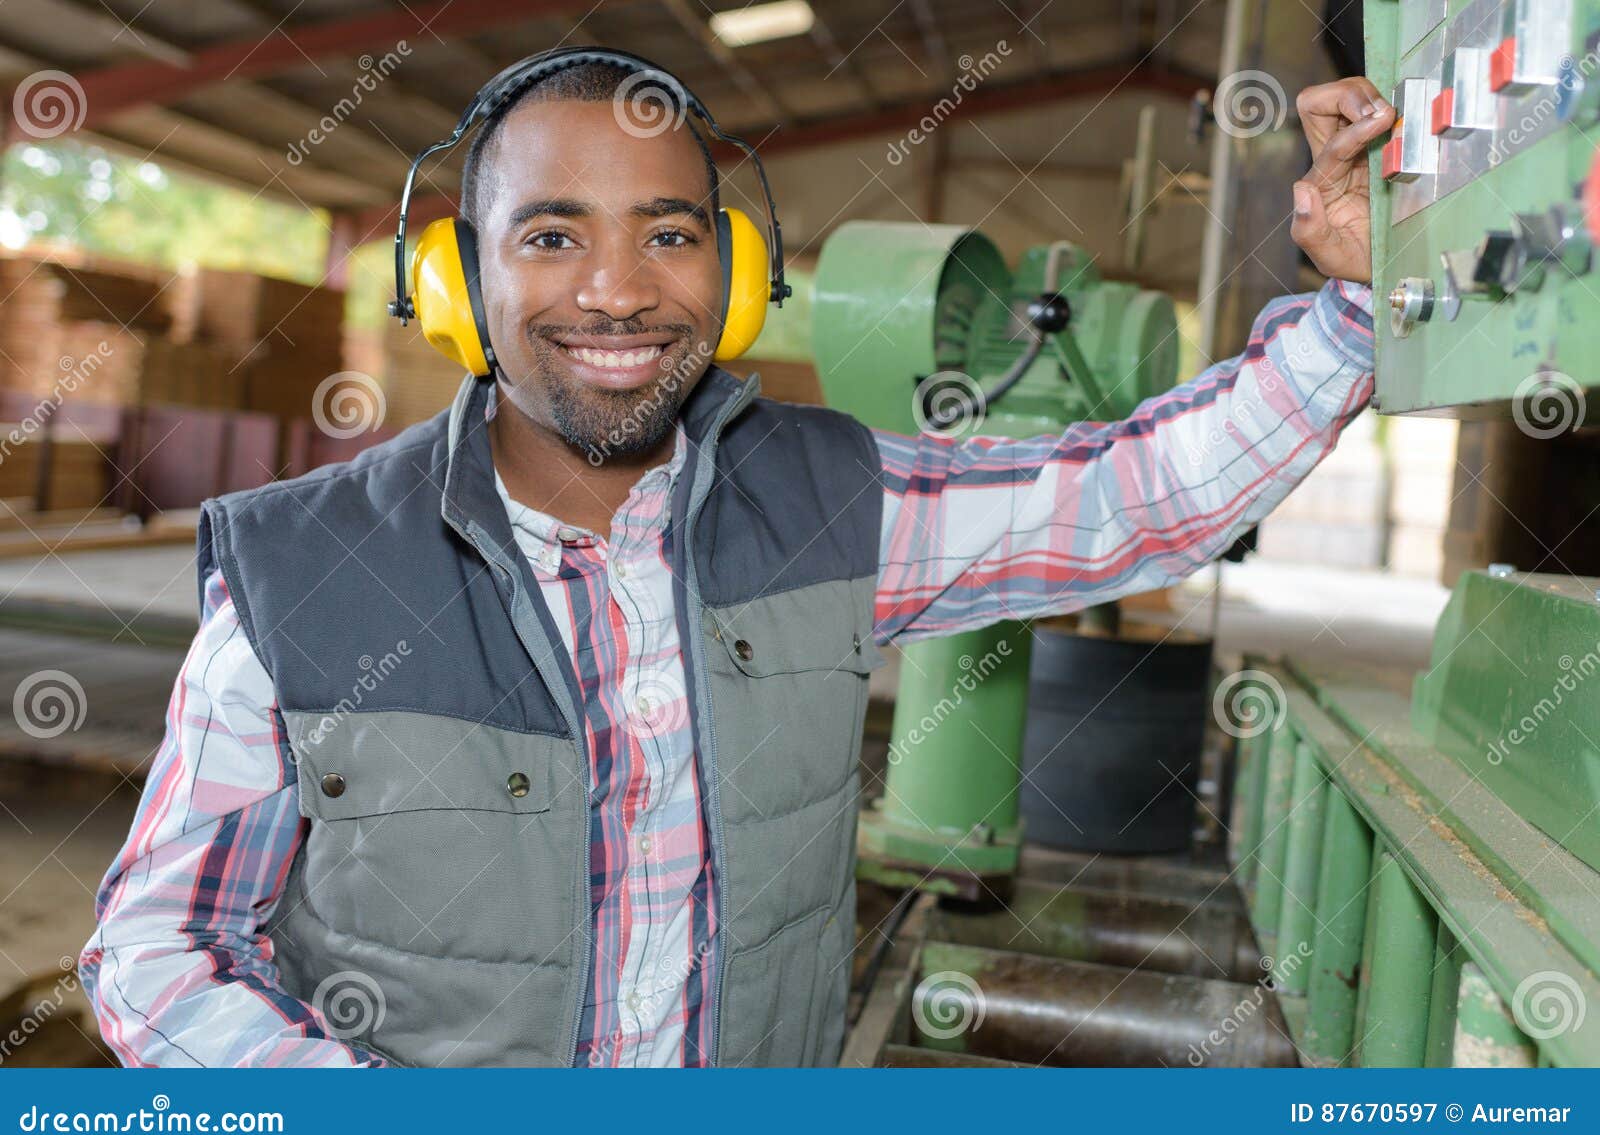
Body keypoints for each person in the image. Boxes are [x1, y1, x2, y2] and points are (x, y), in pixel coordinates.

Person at [80, 55, 1394, 1067]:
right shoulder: (301, 568)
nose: (617, 288)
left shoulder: (823, 500)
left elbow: (1134, 498)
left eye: (670, 232)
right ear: (454, 280)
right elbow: (157, 949)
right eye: (551, 236)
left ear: (736, 269)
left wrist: (1348, 307)